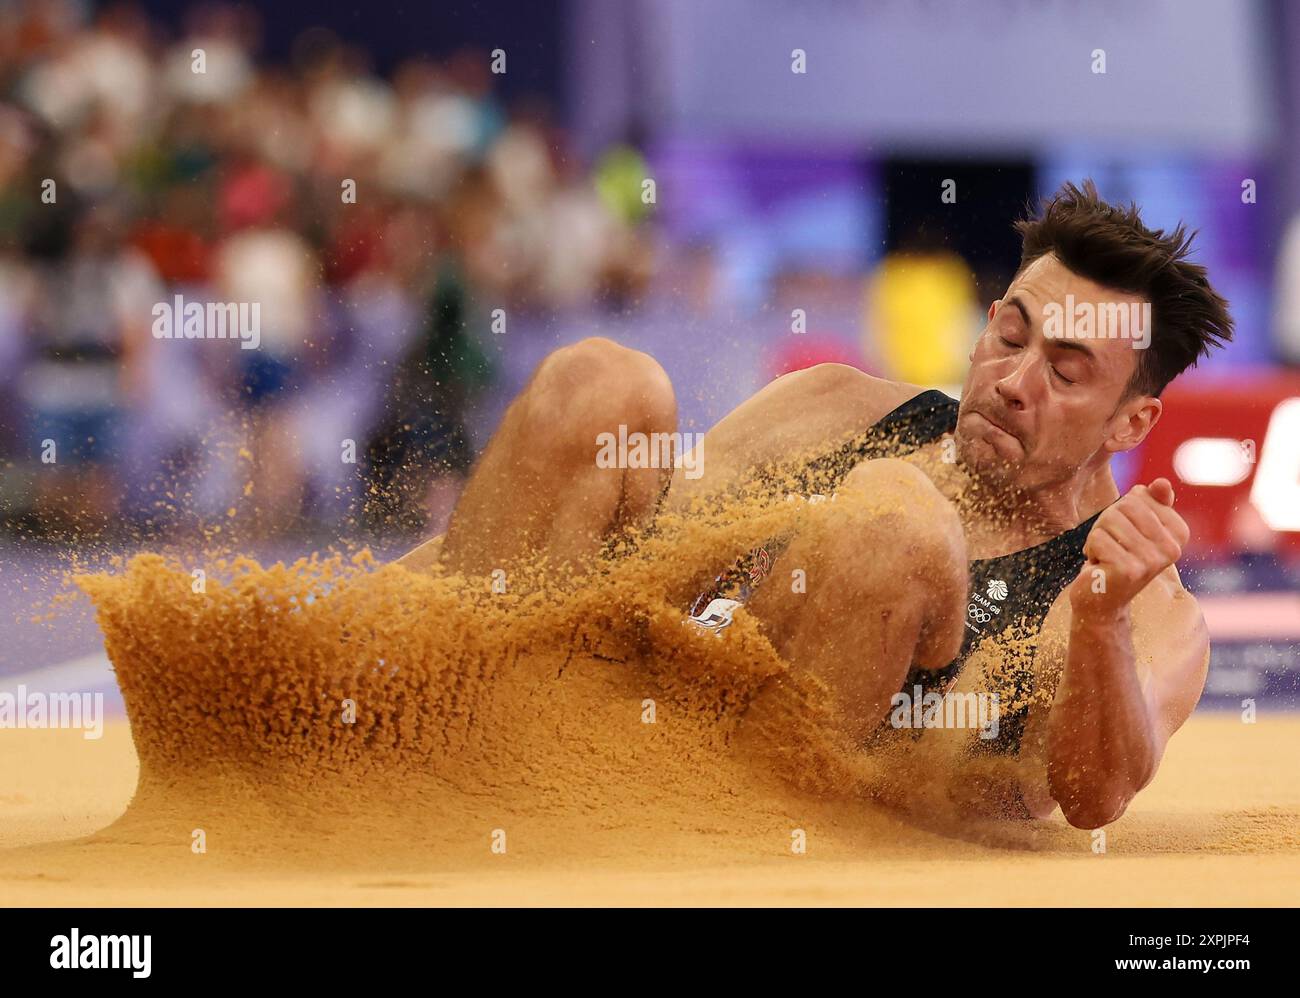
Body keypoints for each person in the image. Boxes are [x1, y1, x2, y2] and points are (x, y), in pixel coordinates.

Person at [398, 181, 1234, 830]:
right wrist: (346, 621)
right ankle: (421, 728)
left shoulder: (1147, 611)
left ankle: (713, 829)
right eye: (1012, 338)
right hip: (610, 744)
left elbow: (1094, 799)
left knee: (895, 517)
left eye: (1065, 370)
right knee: (601, 383)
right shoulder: (839, 410)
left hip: (768, 828)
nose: (1014, 382)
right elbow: (613, 557)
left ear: (1132, 420)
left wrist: (1099, 622)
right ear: (983, 328)